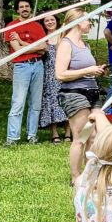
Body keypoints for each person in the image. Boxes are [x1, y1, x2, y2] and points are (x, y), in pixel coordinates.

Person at [55, 7, 106, 178]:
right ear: (77, 22)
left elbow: (85, 69)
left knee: (94, 136)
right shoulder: (65, 44)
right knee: (82, 136)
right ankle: (76, 176)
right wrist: (87, 70)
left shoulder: (85, 45)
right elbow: (60, 74)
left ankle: (89, 175)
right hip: (74, 93)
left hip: (92, 91)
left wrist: (95, 70)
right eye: (87, 19)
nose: (90, 23)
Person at [4, 0, 47, 146]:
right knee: (18, 102)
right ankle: (12, 138)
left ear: (30, 8)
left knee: (35, 103)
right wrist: (36, 47)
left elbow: (44, 47)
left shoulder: (38, 26)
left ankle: (32, 135)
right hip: (21, 66)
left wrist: (23, 43)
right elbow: (16, 50)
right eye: (21, 7)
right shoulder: (11, 26)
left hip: (38, 65)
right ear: (17, 10)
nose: (25, 9)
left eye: (27, 6)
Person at [39, 14, 69, 144]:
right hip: (49, 74)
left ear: (56, 21)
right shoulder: (42, 38)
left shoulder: (64, 36)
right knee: (50, 102)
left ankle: (68, 133)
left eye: (52, 19)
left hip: (64, 72)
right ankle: (55, 133)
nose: (50, 22)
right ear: (43, 23)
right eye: (47, 20)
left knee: (66, 100)